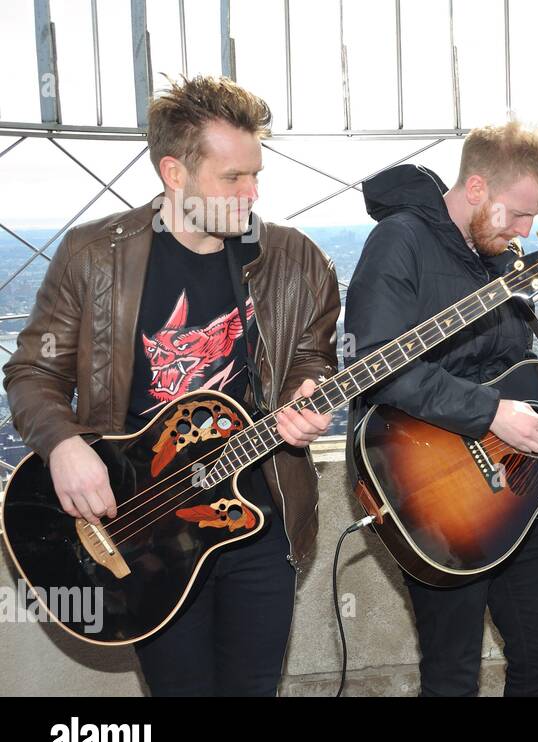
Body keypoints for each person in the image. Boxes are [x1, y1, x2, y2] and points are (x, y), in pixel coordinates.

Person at [2, 75, 339, 695]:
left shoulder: (296, 260)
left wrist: (306, 396)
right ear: (174, 174)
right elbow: (32, 371)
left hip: (258, 518)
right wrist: (64, 445)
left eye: (255, 174)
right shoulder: (92, 256)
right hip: (140, 530)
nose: (252, 192)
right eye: (232, 178)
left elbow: (311, 361)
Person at [344, 121, 538, 696]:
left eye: (534, 219)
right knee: (452, 672)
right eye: (518, 213)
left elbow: (522, 385)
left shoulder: (501, 260)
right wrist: (488, 412)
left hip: (509, 491)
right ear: (477, 188)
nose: (526, 231)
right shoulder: (400, 240)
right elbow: (377, 363)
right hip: (427, 488)